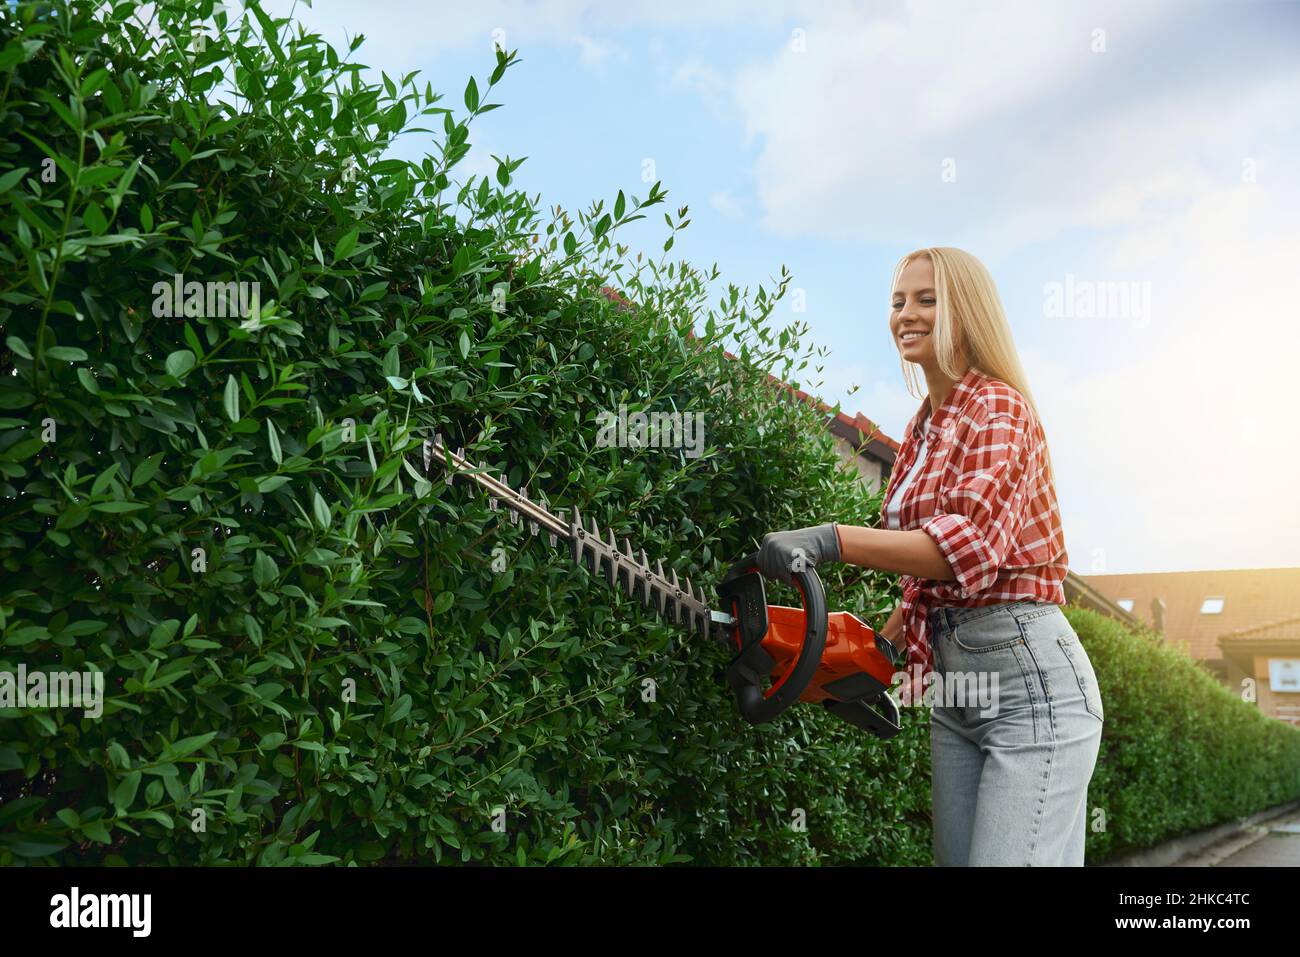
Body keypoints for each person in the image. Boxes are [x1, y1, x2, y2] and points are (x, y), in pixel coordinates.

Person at [753, 246, 1104, 866]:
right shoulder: (922, 428)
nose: (906, 314)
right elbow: (925, 580)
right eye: (898, 302)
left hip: (1033, 689)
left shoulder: (998, 406)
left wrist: (830, 539)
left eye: (927, 299)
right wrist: (875, 652)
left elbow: (965, 551)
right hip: (957, 692)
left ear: (966, 312)